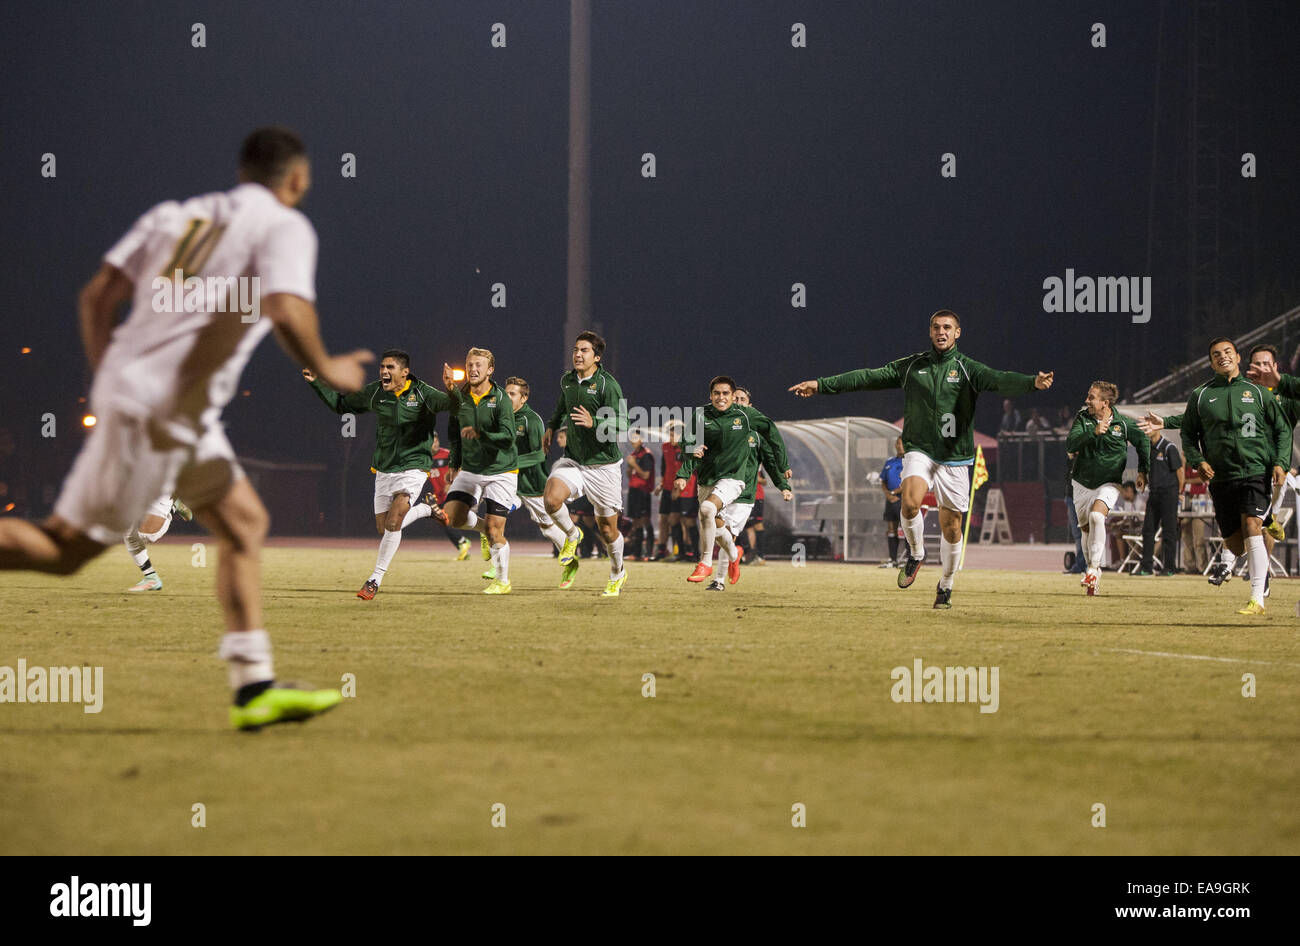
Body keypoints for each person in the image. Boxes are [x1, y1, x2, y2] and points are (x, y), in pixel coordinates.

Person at [0, 126, 372, 730]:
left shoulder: (176, 215)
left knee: (245, 522)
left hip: (173, 408)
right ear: (297, 180)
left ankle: (254, 688)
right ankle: (254, 688)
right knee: (65, 550)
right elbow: (285, 306)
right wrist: (327, 366)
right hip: (164, 409)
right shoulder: (285, 225)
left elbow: (96, 297)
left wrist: (113, 380)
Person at [789, 309, 1053, 609]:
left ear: (957, 333)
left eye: (947, 327)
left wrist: (1032, 382)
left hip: (955, 457)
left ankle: (946, 585)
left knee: (951, 526)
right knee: (910, 501)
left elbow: (1000, 379)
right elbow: (867, 377)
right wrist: (821, 384)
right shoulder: (912, 366)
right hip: (920, 449)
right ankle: (915, 553)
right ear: (930, 332)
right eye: (936, 327)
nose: (941, 332)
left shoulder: (969, 369)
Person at [305, 348, 452, 599]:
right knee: (385, 530)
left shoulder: (423, 394)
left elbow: (453, 406)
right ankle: (426, 510)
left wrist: (452, 389)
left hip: (414, 466)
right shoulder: (375, 392)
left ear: (405, 373)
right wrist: (316, 382)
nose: (384, 371)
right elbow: (341, 405)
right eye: (382, 367)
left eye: (390, 368)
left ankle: (374, 580)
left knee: (394, 522)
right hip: (384, 468)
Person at [1178, 337, 1290, 614]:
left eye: (1228, 352)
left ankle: (1257, 598)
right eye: (1216, 354)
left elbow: (1283, 430)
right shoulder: (1201, 395)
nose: (1222, 356)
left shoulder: (1259, 392)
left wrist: (1280, 462)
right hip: (1221, 478)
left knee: (1252, 525)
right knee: (1236, 546)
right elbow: (1188, 435)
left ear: (1238, 357)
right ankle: (1268, 518)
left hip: (1255, 471)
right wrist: (1198, 460)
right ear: (1211, 362)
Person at [674, 376, 791, 590]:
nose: (724, 398)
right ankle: (734, 554)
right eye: (718, 394)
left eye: (730, 395)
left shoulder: (748, 421)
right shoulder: (701, 415)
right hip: (708, 480)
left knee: (709, 510)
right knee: (716, 528)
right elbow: (687, 443)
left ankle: (709, 569)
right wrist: (684, 471)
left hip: (739, 486)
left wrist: (783, 479)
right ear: (710, 396)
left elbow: (772, 442)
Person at [541, 331, 630, 596]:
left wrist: (596, 423)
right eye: (576, 350)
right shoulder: (567, 380)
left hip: (603, 466)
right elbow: (561, 407)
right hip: (574, 460)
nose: (578, 354)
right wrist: (551, 427)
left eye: (584, 351)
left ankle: (617, 572)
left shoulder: (607, 385)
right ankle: (572, 534)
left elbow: (623, 424)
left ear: (597, 357)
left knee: (607, 529)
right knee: (551, 499)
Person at [475, 376, 567, 581]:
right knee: (495, 517)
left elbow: (539, 454)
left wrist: (511, 462)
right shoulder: (500, 418)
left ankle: (569, 558)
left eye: (512, 394)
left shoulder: (531, 420)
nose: (506, 398)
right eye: (505, 393)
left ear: (523, 398)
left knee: (548, 528)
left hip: (531, 483)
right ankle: (495, 563)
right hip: (508, 483)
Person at [441, 349, 518, 594]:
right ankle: (484, 529)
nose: (473, 369)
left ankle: (503, 582)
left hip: (501, 470)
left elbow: (508, 437)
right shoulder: (459, 397)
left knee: (497, 530)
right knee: (450, 518)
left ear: (490, 370)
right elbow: (454, 434)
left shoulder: (501, 398)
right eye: (470, 364)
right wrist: (454, 462)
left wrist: (481, 434)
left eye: (479, 365)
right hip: (471, 469)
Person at [1067, 383, 1150, 595]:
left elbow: (1143, 441)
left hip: (1110, 482)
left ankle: (1094, 569)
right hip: (1081, 482)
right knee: (1085, 529)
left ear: (1105, 403)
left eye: (1091, 397)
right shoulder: (1083, 418)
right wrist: (1093, 433)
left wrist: (1143, 470)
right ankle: (1090, 570)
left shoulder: (1123, 424)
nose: (1086, 400)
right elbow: (1071, 444)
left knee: (1097, 517)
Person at [402, 433, 475, 560]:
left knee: (446, 519)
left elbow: (462, 467)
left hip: (451, 493)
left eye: (436, 441)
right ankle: (462, 544)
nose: (435, 444)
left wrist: (452, 483)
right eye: (432, 442)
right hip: (437, 496)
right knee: (442, 521)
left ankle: (464, 541)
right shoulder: (425, 458)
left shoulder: (447, 454)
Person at [1137, 428, 1183, 575]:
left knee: (1169, 531)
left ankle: (1169, 567)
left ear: (1158, 428)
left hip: (1169, 493)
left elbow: (1179, 471)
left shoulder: (1169, 447)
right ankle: (1146, 567)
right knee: (1148, 530)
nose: (1147, 431)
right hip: (1154, 493)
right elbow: (1144, 470)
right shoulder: (1147, 449)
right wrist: (1142, 479)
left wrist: (1179, 492)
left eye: (1149, 427)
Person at [123, 496, 193, 591]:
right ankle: (174, 505)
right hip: (157, 509)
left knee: (131, 535)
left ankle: (151, 578)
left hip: (157, 517)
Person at [653, 420, 684, 560]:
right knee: (663, 520)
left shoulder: (687, 449)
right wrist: (661, 485)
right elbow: (664, 468)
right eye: (670, 435)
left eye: (673, 436)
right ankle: (661, 550)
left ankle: (681, 551)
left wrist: (678, 489)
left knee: (676, 520)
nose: (670, 439)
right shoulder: (665, 447)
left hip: (679, 490)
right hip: (666, 488)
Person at [624, 429, 656, 560]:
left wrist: (634, 464)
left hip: (643, 491)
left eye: (636, 438)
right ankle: (636, 554)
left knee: (645, 521)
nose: (633, 441)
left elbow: (645, 475)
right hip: (633, 492)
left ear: (641, 439)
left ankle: (649, 553)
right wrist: (630, 466)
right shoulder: (633, 454)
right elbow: (628, 475)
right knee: (636, 522)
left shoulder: (646, 455)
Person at [880, 437, 905, 567]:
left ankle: (909, 559)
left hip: (903, 499)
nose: (898, 446)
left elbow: (908, 482)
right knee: (891, 528)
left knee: (907, 528)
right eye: (897, 443)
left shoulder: (909, 462)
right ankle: (892, 559)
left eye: (900, 443)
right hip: (890, 499)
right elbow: (883, 480)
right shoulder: (890, 461)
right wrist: (888, 494)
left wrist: (894, 493)